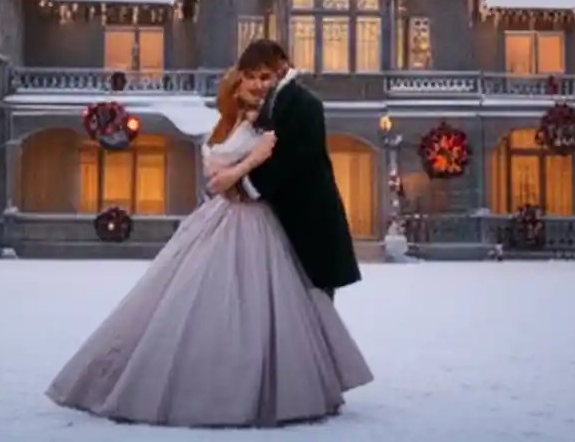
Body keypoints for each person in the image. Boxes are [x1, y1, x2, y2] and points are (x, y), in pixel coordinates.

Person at [45, 69, 372, 428]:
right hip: (229, 218)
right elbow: (218, 182)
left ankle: (288, 384)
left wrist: (245, 174)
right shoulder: (227, 133)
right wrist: (246, 167)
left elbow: (265, 173)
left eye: (259, 93)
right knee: (201, 298)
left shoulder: (263, 130)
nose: (255, 97)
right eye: (248, 91)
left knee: (276, 304)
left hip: (261, 221)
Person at [206, 39, 361, 299]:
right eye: (251, 76)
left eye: (265, 76)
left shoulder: (303, 104)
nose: (258, 84)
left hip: (309, 222)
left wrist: (242, 184)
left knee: (311, 306)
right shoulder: (270, 103)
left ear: (282, 68)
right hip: (285, 220)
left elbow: (290, 161)